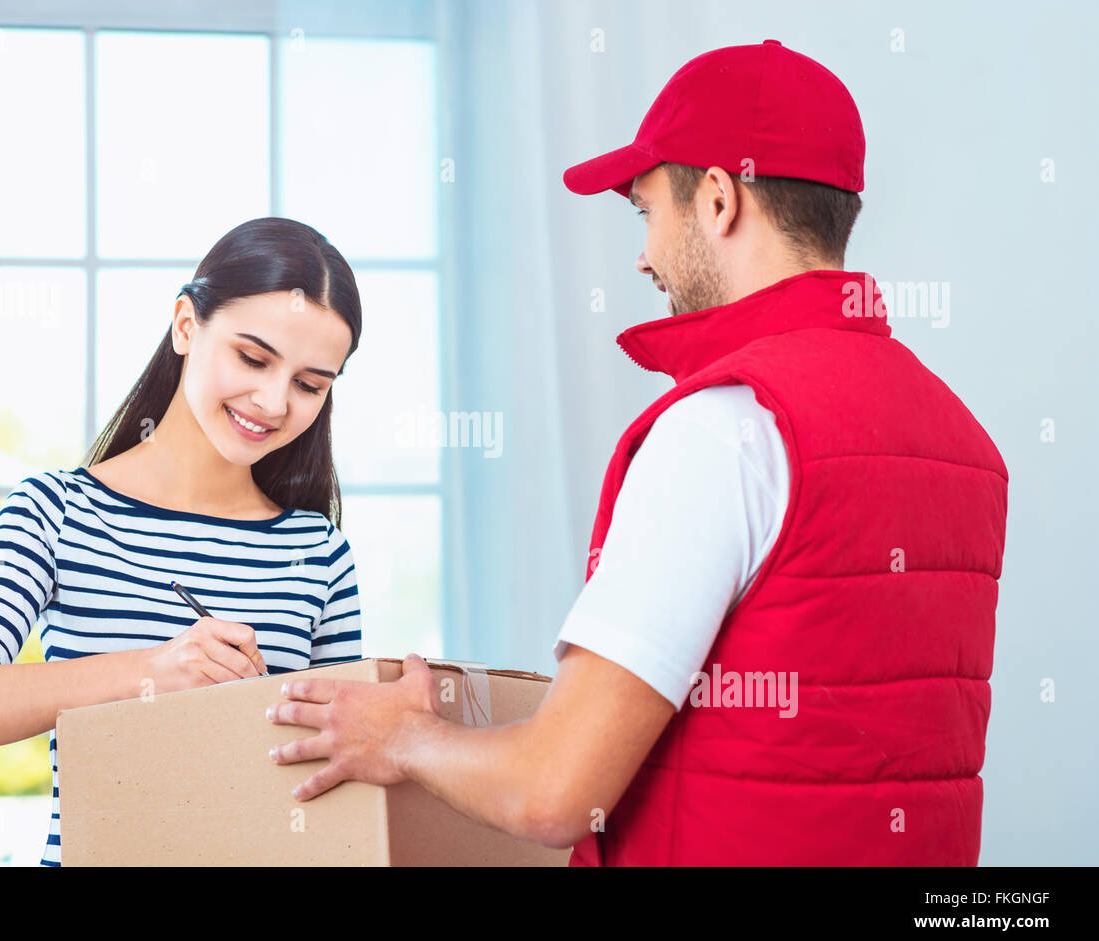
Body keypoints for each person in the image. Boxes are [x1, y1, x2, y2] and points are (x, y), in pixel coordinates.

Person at [266, 40, 1009, 866]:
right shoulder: (960, 439)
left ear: (719, 200)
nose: (643, 254)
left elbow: (553, 792)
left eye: (646, 210)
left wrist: (405, 738)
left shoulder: (727, 426)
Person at [0, 217, 365, 867]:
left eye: (309, 384)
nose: (272, 400)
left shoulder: (318, 553)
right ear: (187, 324)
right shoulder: (59, 511)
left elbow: (335, 786)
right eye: (253, 358)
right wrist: (150, 672)